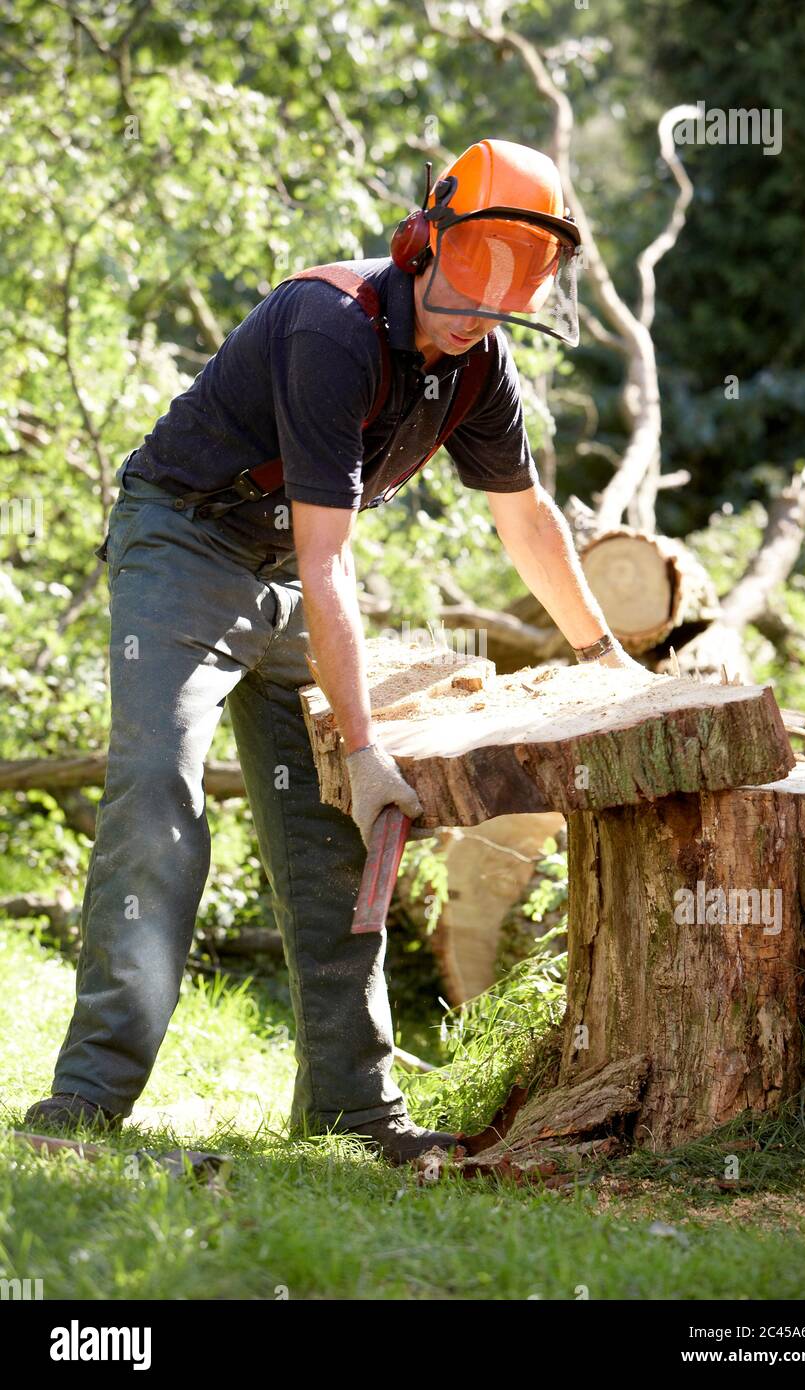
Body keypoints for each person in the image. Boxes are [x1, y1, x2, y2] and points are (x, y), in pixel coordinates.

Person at [24, 138, 645, 1165]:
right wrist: (360, 743)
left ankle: (353, 1113)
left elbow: (526, 517)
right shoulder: (331, 326)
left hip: (284, 571)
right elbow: (328, 561)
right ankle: (87, 1105)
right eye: (460, 289)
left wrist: (599, 654)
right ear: (422, 242)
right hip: (185, 541)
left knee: (336, 837)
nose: (469, 318)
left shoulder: (477, 364)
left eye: (498, 302)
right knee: (157, 798)